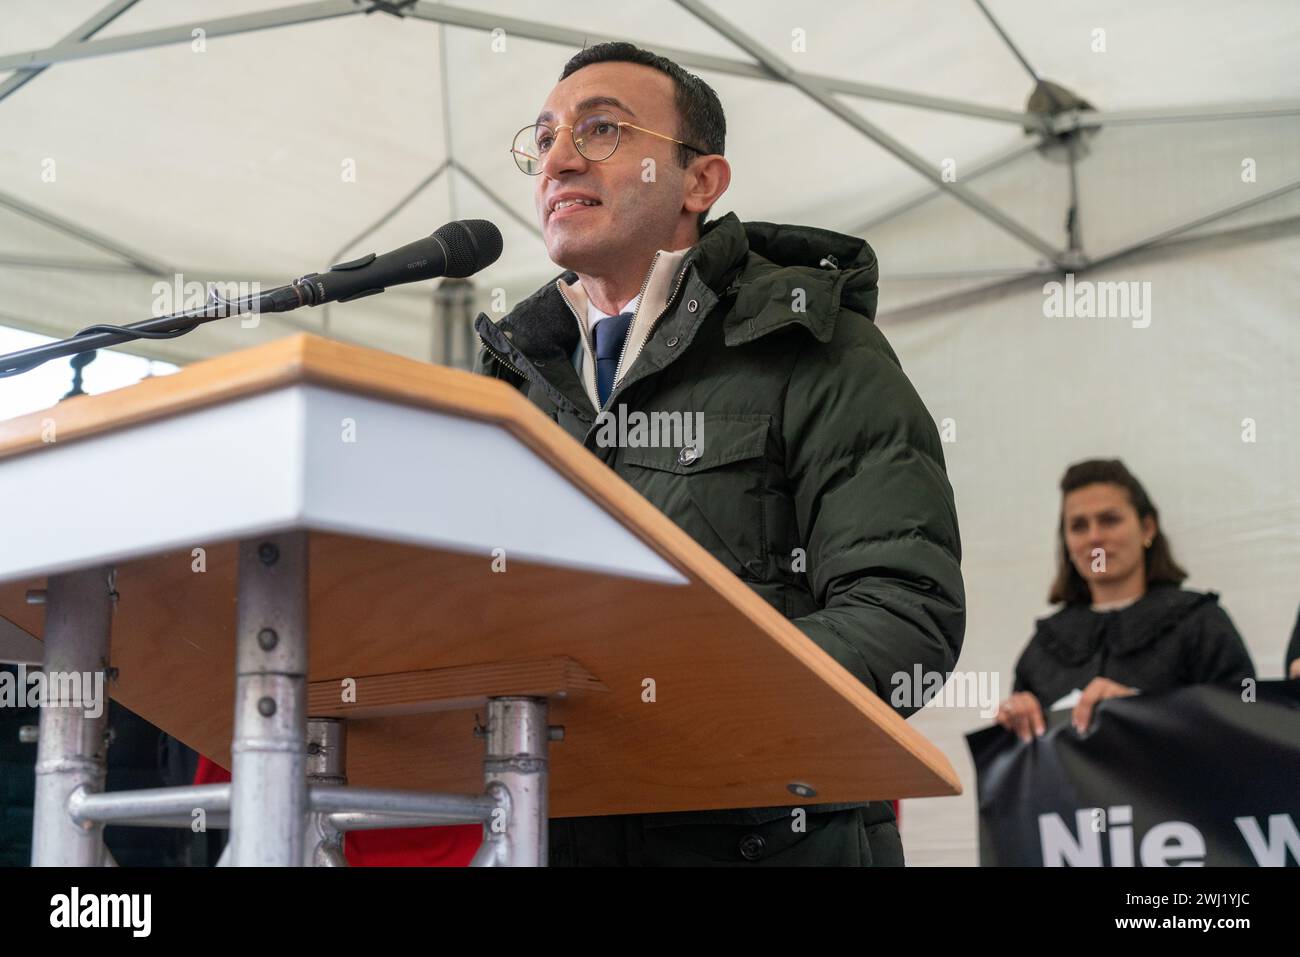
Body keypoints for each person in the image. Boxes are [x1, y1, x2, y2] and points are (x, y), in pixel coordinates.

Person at [472, 42, 964, 865]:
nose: (557, 159)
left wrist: (680, 709)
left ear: (699, 182)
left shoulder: (816, 345)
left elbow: (902, 608)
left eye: (600, 131)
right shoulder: (507, 390)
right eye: (545, 137)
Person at [996, 459, 1255, 742]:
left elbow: (1246, 732)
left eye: (1109, 520)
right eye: (1079, 526)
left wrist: (1145, 713)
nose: (1094, 537)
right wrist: (1014, 721)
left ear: (1147, 528)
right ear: (1066, 542)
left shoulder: (1201, 624)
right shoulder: (1043, 648)